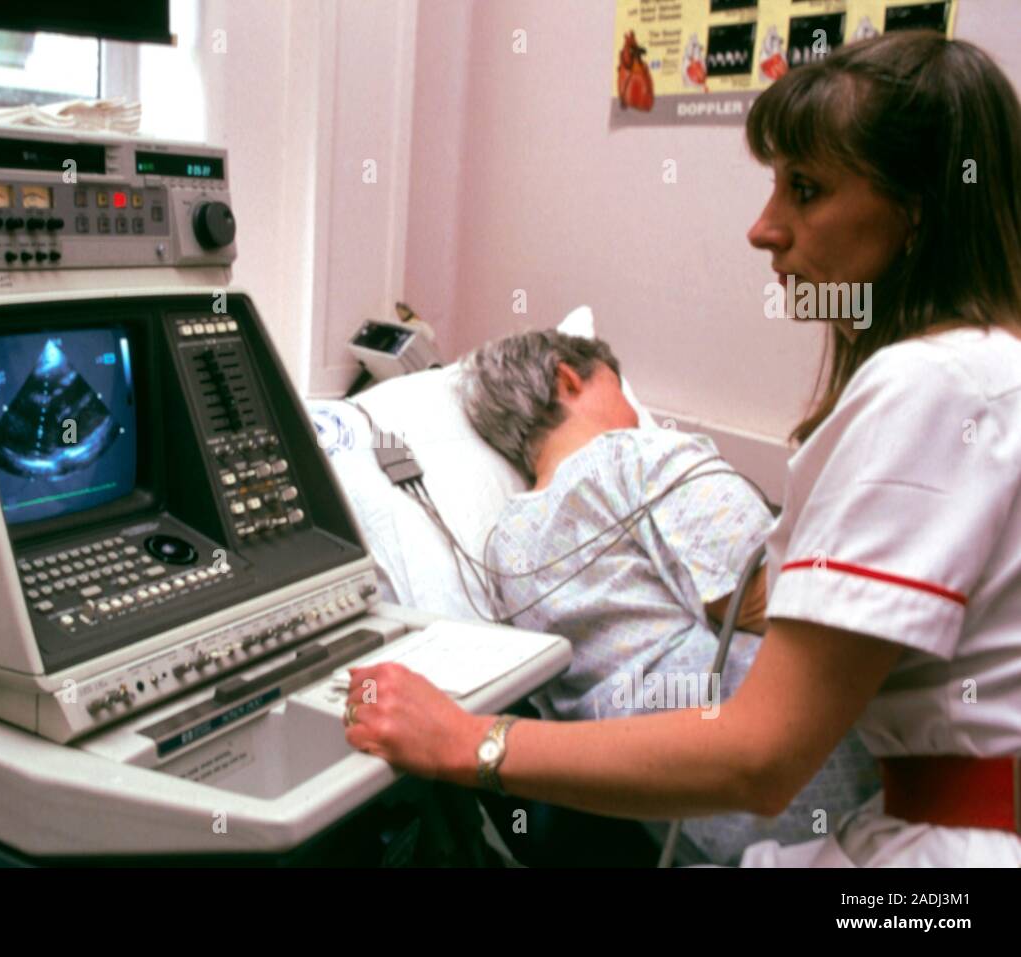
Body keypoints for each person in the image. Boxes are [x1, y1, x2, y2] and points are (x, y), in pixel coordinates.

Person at [342, 30, 1021, 866]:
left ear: (917, 208)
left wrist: (474, 741)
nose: (763, 230)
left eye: (804, 190)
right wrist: (472, 739)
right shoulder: (972, 376)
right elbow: (760, 653)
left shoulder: (500, 546)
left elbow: (760, 751)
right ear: (569, 379)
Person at [458, 329, 879, 865]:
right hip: (803, 771)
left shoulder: (504, 544)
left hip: (668, 807)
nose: (633, 409)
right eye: (620, 389)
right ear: (567, 378)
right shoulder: (635, 453)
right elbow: (759, 600)